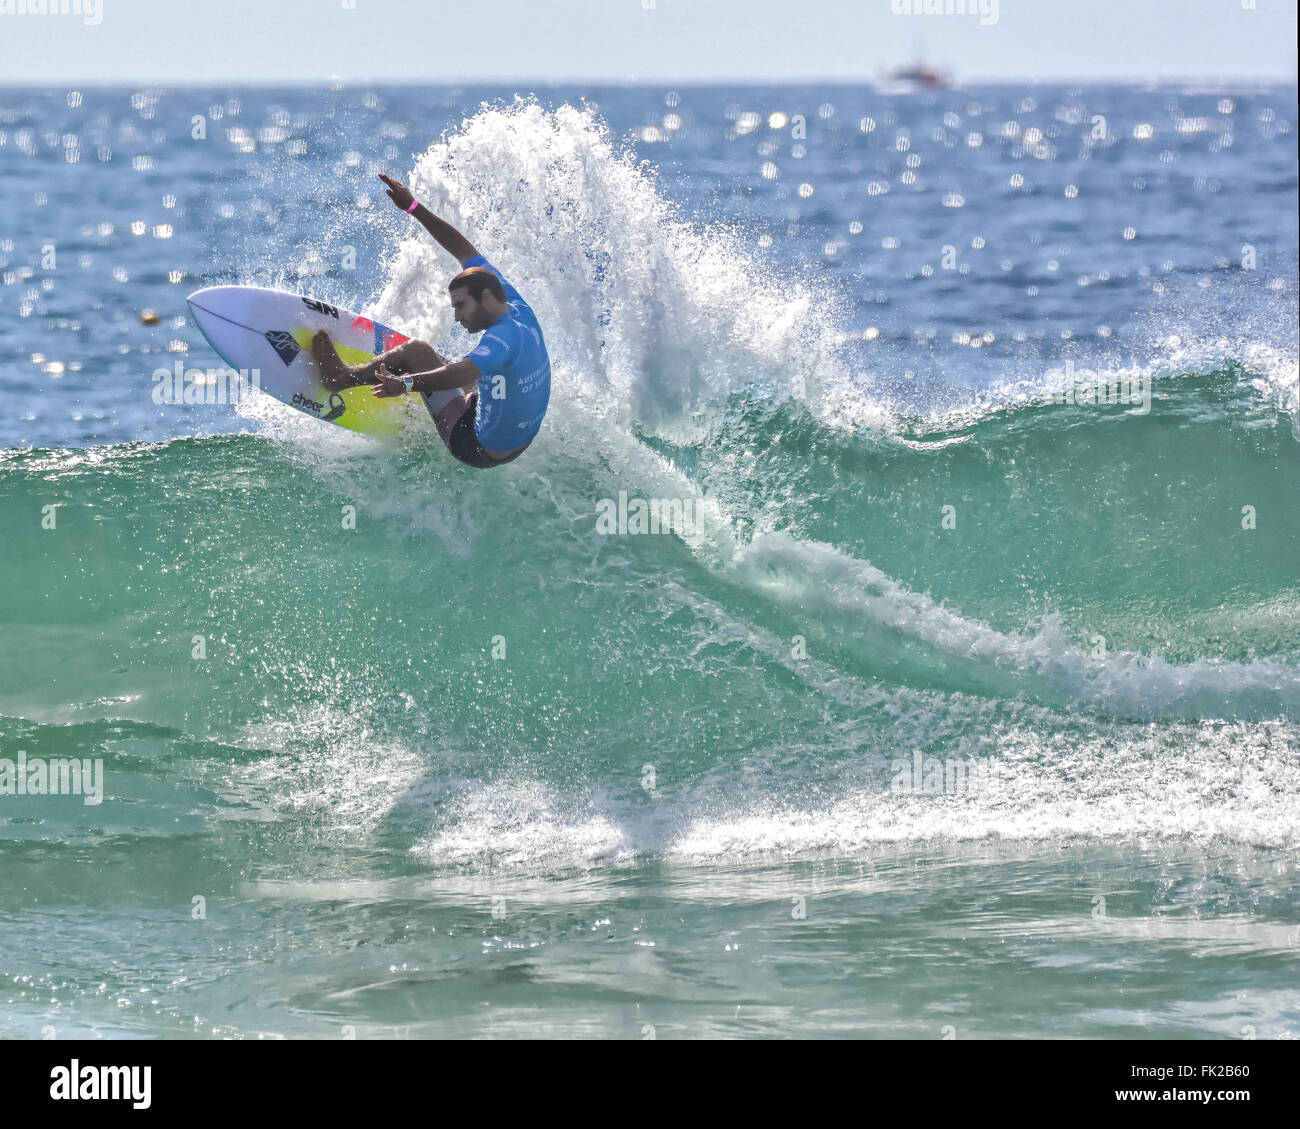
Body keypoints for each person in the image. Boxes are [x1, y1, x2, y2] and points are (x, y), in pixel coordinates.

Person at [309, 173, 551, 468]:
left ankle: (340, 378)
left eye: (461, 306)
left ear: (486, 297)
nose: (457, 316)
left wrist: (406, 384)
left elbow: (461, 374)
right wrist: (413, 207)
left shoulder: (501, 339)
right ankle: (433, 392)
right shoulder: (512, 303)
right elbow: (463, 249)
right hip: (519, 442)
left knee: (419, 353)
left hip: (477, 446)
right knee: (461, 365)